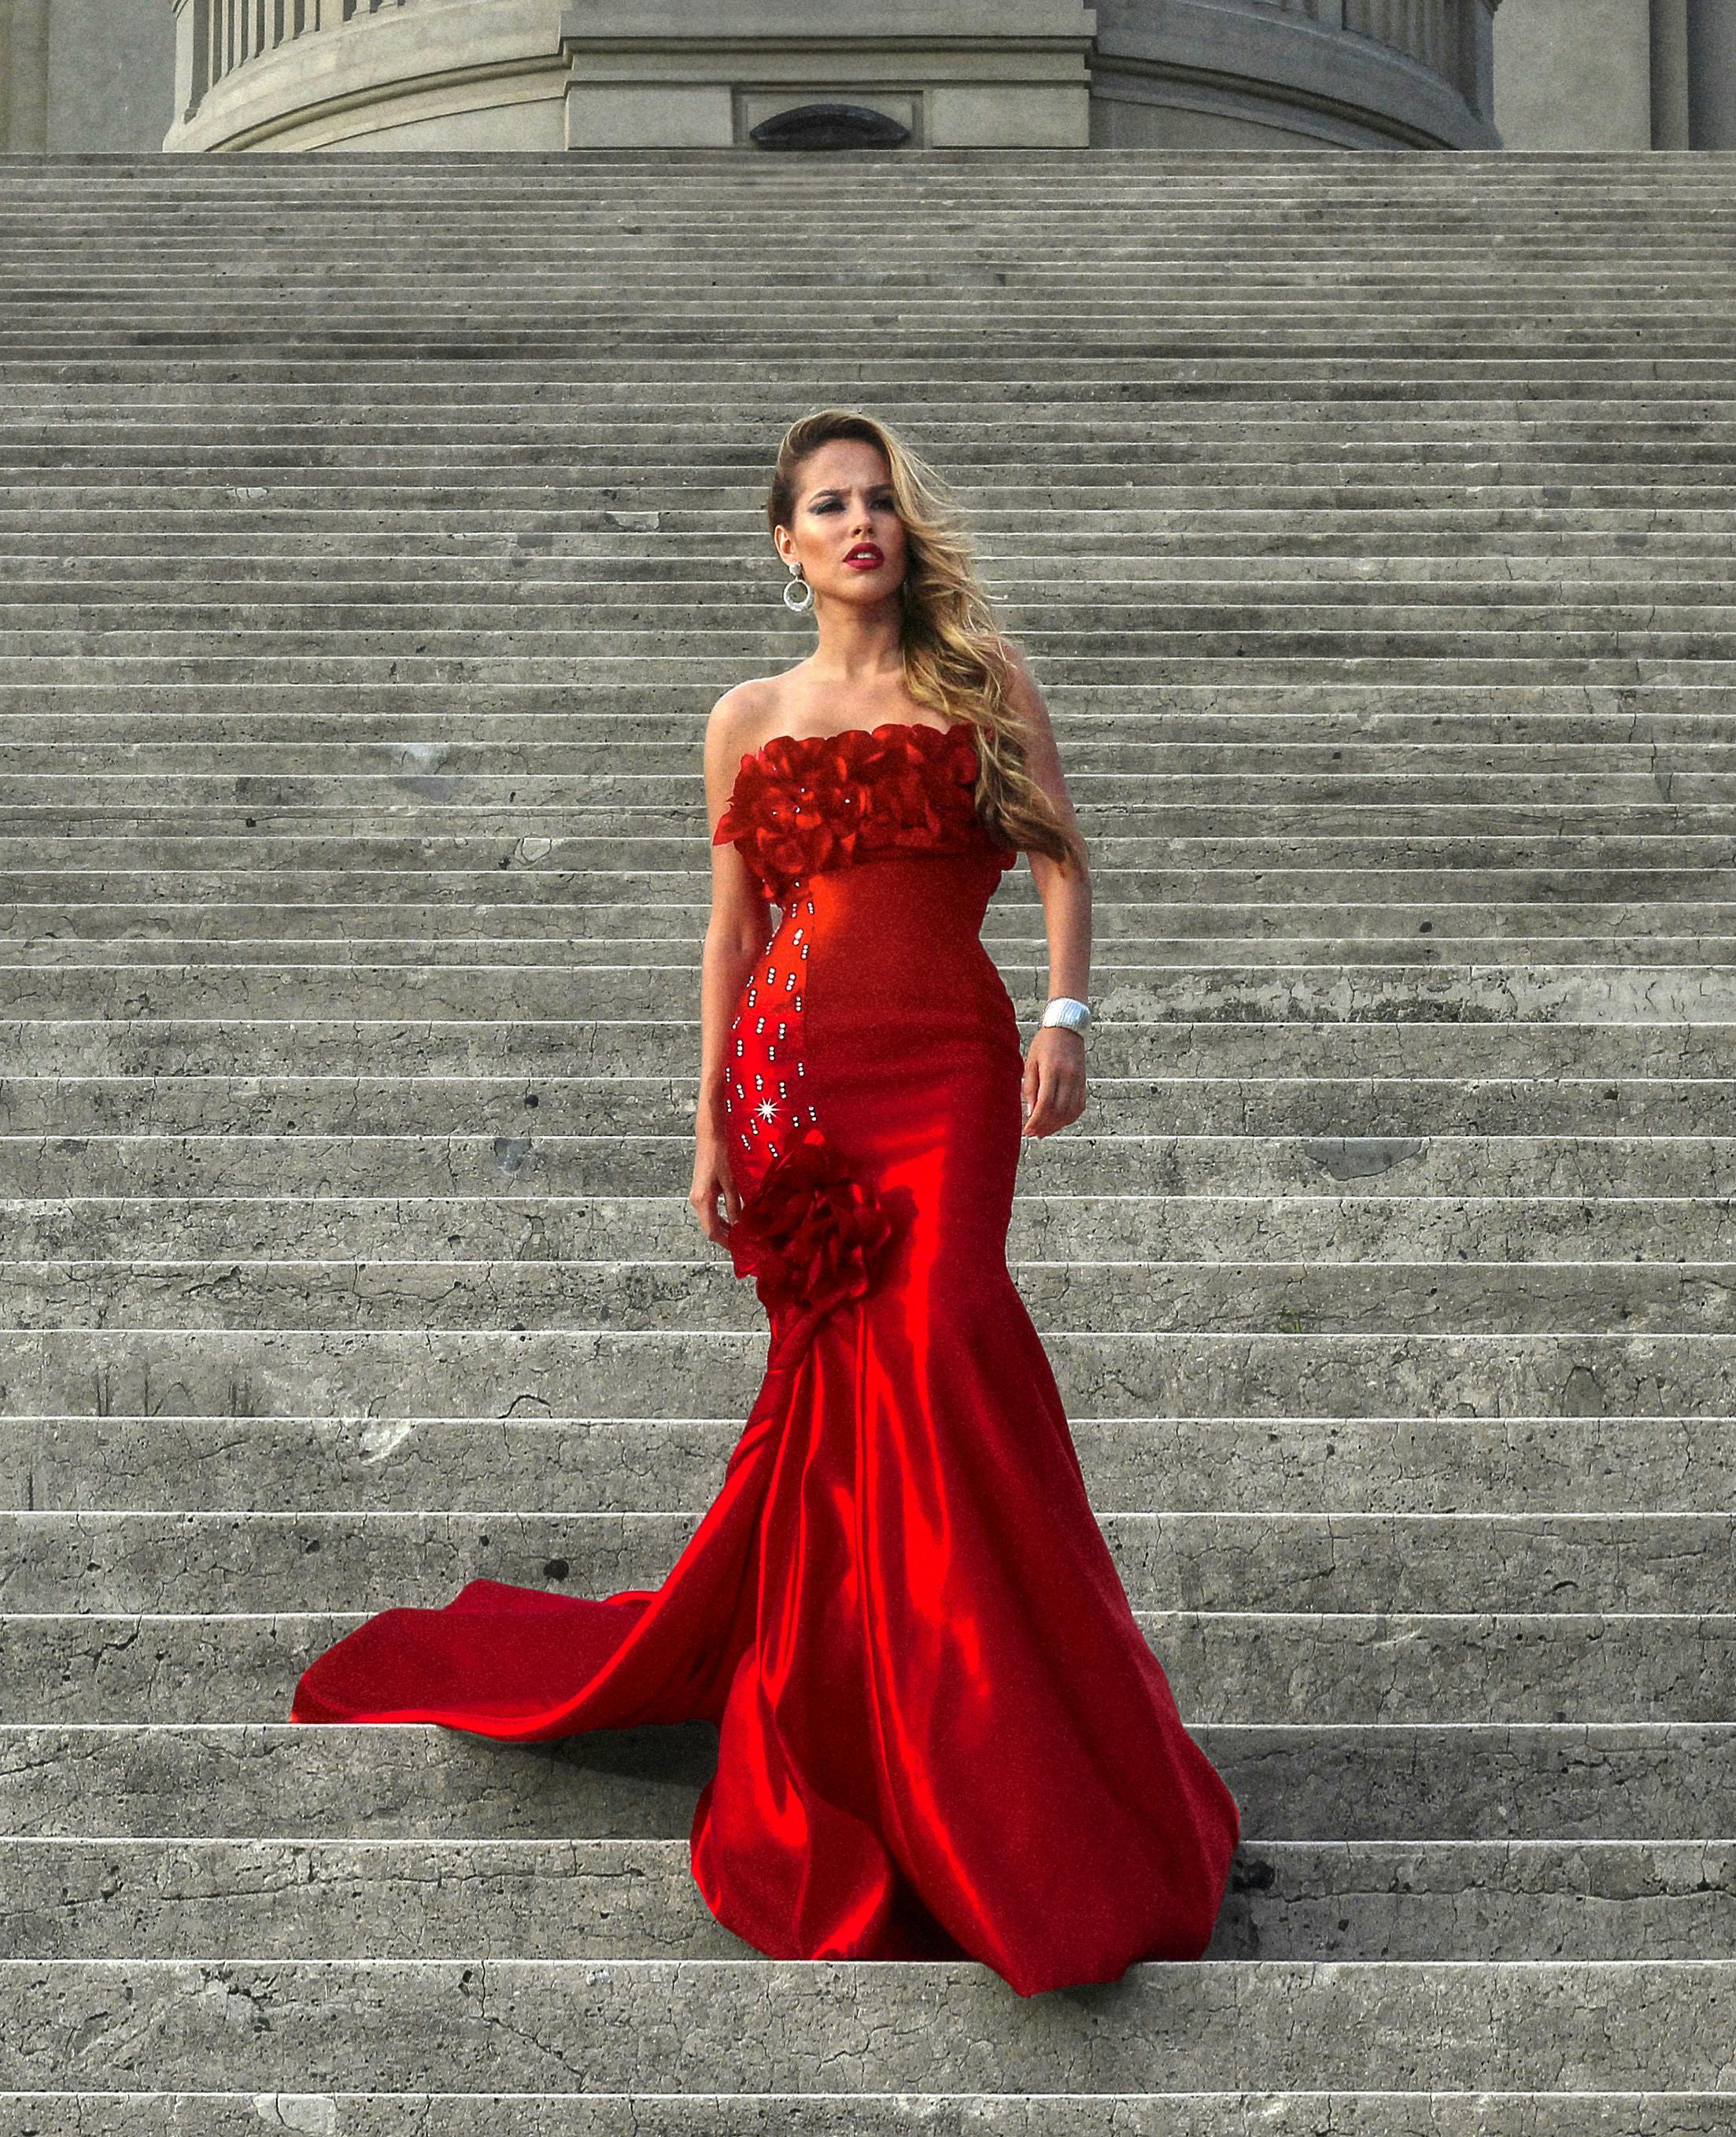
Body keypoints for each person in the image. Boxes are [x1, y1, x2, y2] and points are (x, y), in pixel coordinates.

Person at [289, 408, 1241, 1997]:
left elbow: (1061, 859)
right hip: (800, 1081)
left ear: (901, 527)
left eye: (877, 499)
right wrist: (709, 1123)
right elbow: (733, 932)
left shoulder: (981, 681)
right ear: (784, 544)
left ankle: (1007, 1734)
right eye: (827, 505)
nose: (860, 522)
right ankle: (881, 1714)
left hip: (946, 1066)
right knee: (856, 1392)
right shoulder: (744, 717)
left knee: (946, 1341)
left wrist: (1067, 1018)